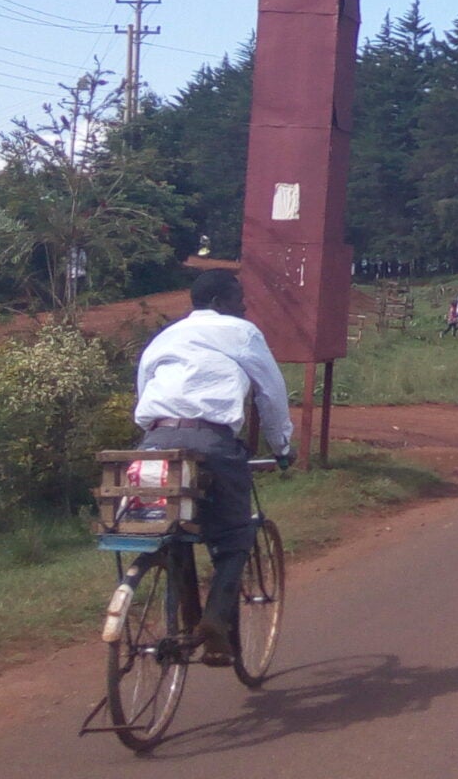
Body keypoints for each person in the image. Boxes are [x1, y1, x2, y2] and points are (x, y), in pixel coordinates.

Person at [131, 270, 293, 663]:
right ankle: (215, 623)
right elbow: (270, 393)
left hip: (154, 443)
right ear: (221, 302)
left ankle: (186, 618)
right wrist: (282, 446)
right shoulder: (242, 333)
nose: (244, 305)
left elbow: (144, 387)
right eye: (239, 298)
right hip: (213, 442)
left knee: (173, 528)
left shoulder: (166, 336)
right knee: (235, 537)